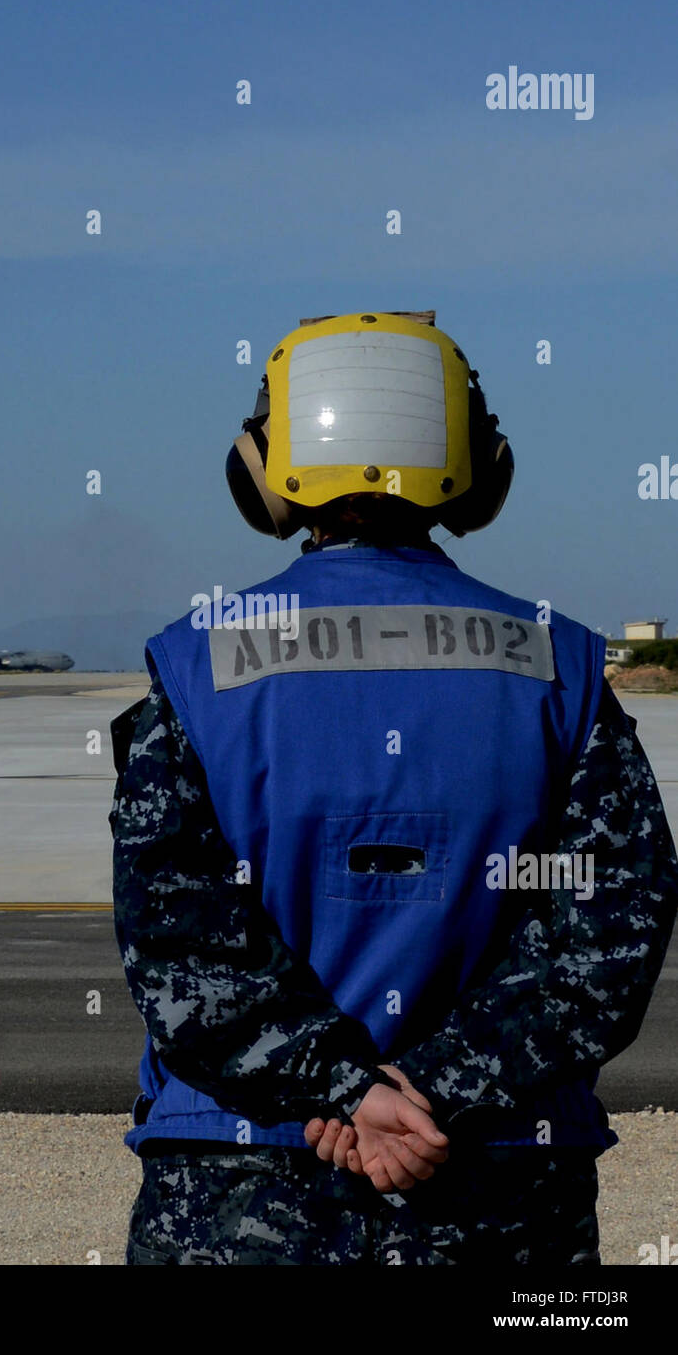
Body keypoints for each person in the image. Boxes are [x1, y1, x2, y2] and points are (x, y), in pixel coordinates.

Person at [110, 311, 678, 1265]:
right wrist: (437, 1088)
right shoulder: (561, 665)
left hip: (241, 1177)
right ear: (479, 465)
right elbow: (610, 927)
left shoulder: (192, 666)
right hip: (497, 1181)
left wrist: (343, 1091)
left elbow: (175, 937)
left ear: (264, 467)